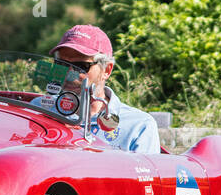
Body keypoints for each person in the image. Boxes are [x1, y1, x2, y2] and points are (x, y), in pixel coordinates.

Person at [45, 25, 160, 154]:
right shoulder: (40, 109)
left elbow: (145, 172)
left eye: (81, 66)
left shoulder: (138, 125)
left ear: (106, 70)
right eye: (62, 64)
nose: (69, 74)